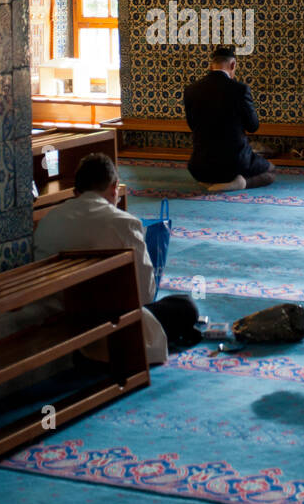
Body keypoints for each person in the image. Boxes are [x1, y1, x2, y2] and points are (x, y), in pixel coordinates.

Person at [33, 153, 201, 364]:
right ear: (114, 187)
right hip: (107, 325)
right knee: (185, 306)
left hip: (54, 316)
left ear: (76, 192)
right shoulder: (125, 223)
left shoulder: (49, 221)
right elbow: (145, 295)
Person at [184, 45, 275, 190]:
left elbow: (192, 125)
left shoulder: (191, 90)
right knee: (270, 170)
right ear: (233, 65)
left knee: (211, 167)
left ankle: (212, 181)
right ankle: (241, 183)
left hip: (199, 166)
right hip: (234, 163)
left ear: (211, 65)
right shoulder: (240, 90)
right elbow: (253, 126)